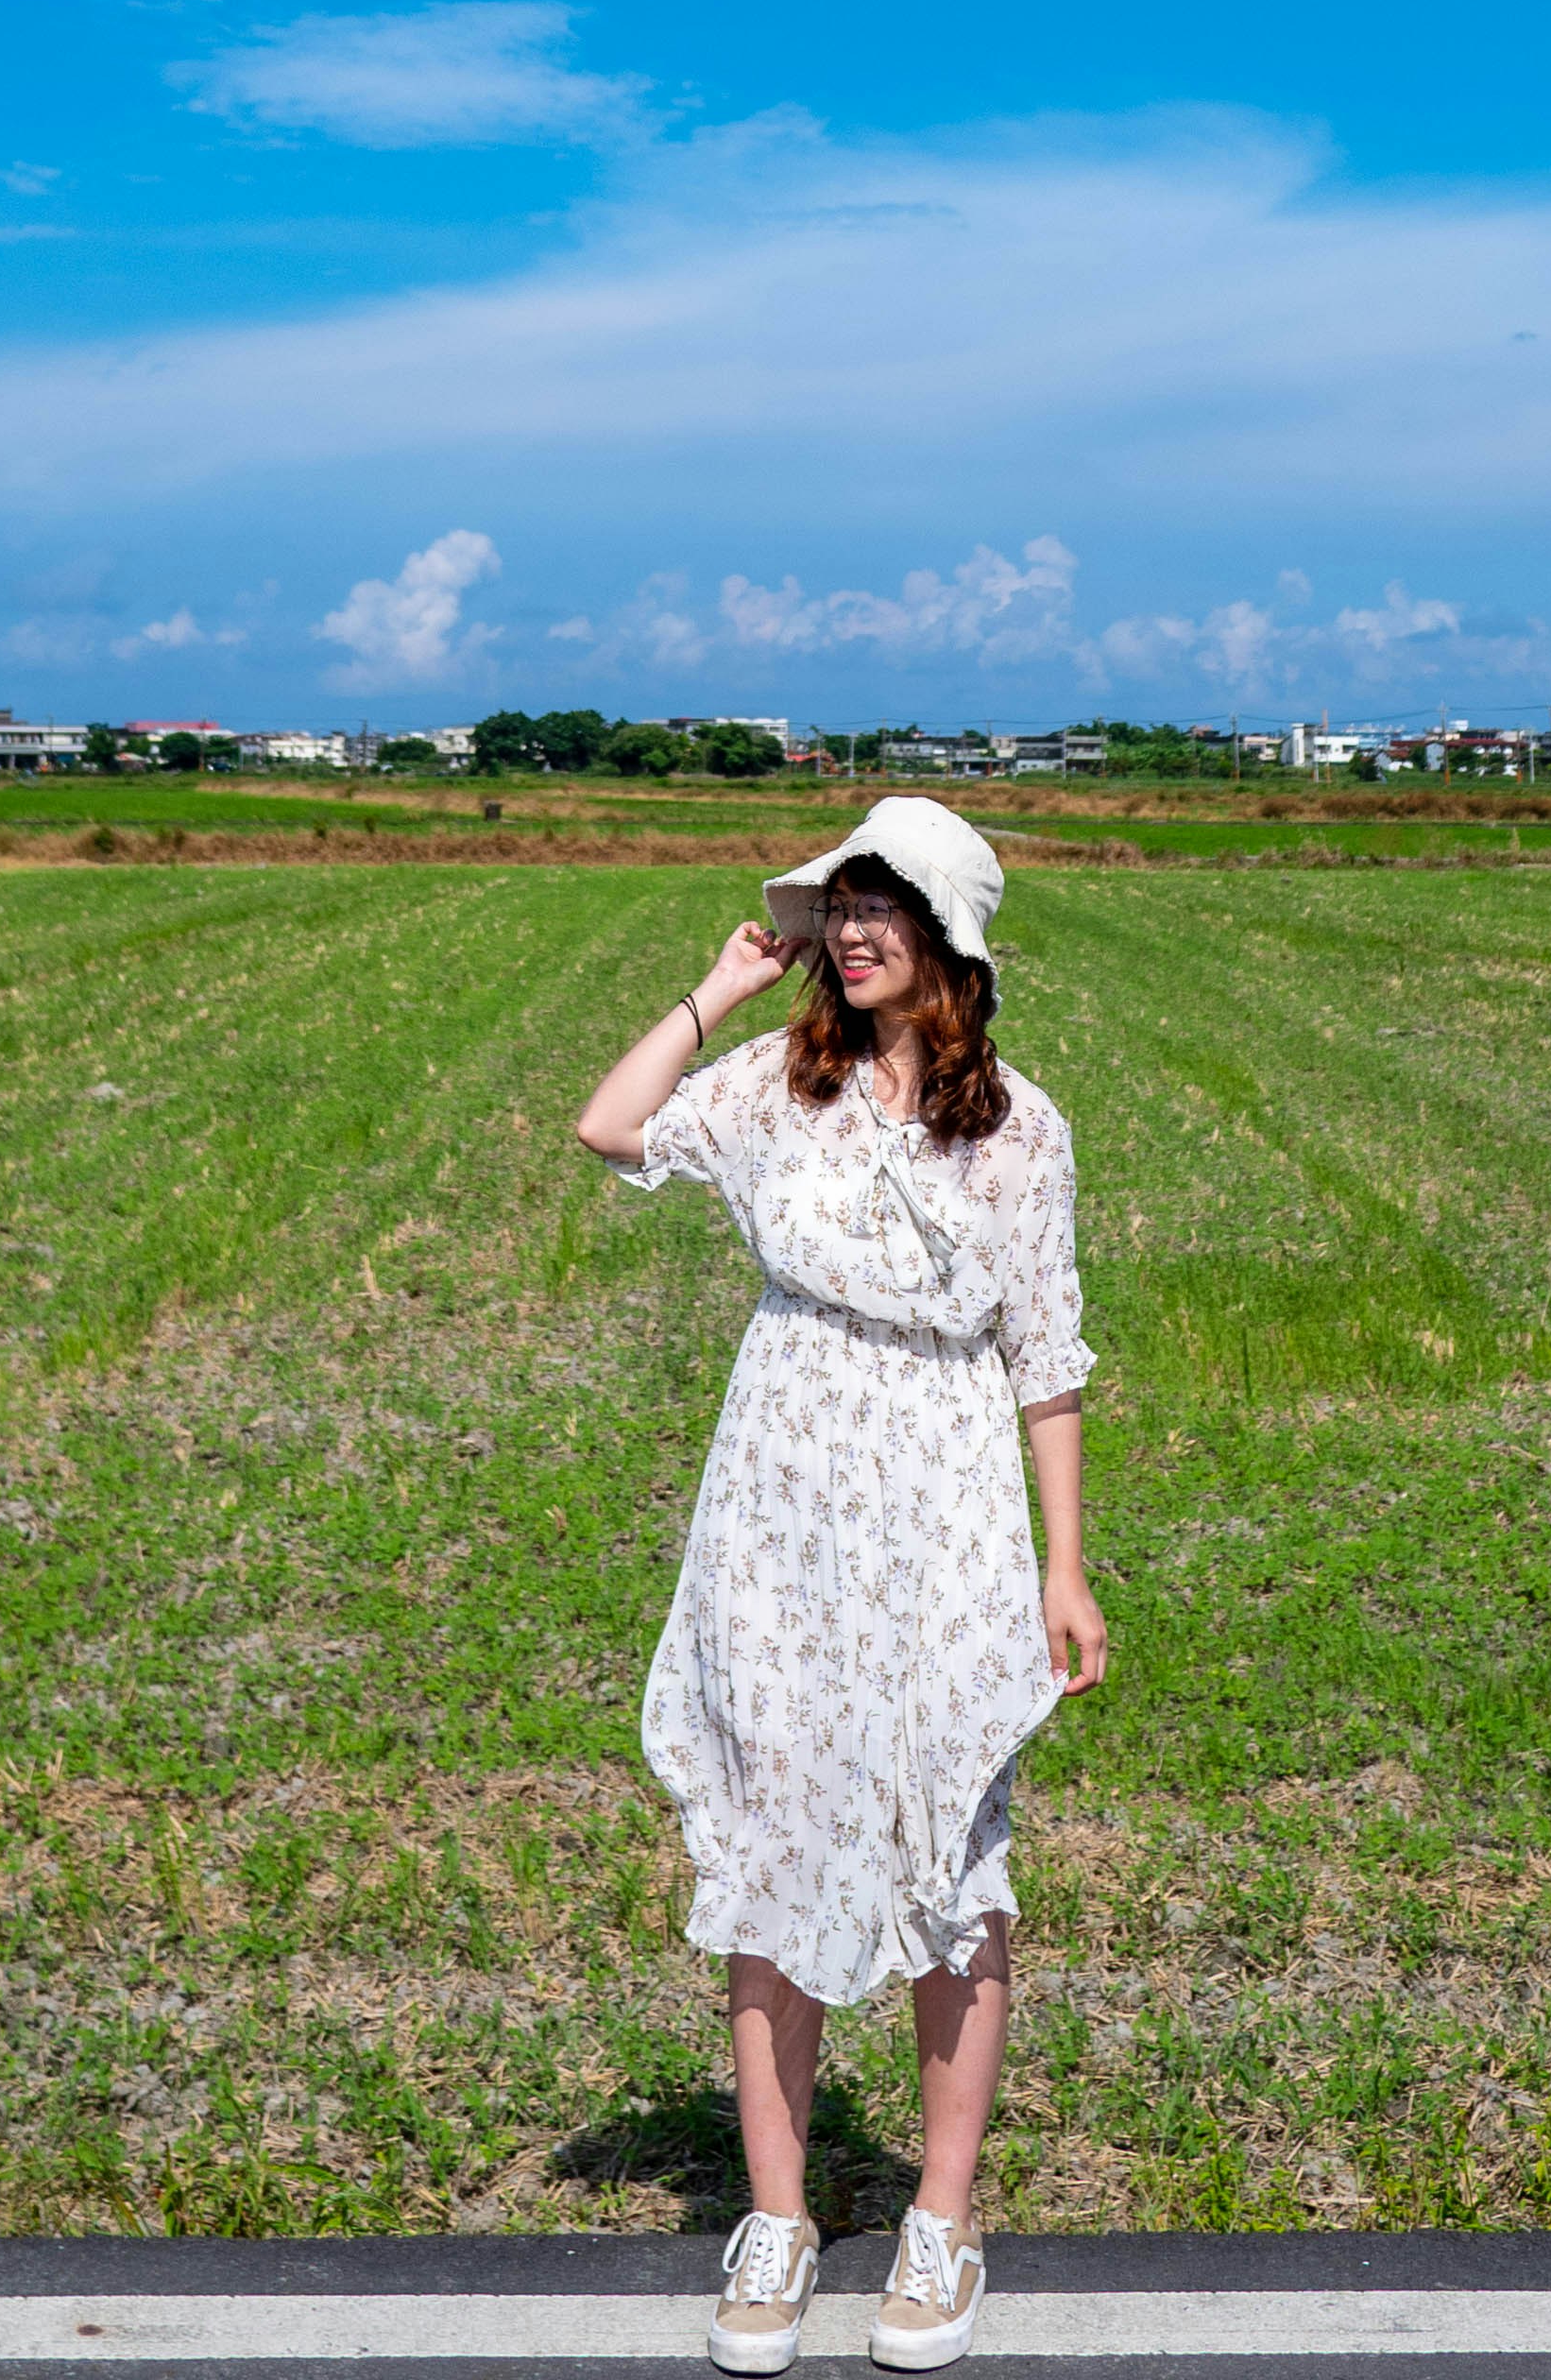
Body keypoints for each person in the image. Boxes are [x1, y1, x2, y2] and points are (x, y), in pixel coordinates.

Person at [574, 795, 1105, 2378]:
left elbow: (1048, 1358)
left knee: (948, 1842)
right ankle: (781, 2217)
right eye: (842, 904)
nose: (857, 928)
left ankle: (943, 2216)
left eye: (888, 907)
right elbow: (611, 1127)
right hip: (782, 1493)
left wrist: (1065, 1568)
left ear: (949, 941)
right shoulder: (774, 1085)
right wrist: (722, 983)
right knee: (771, 1830)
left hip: (942, 1497)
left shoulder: (1021, 1130)